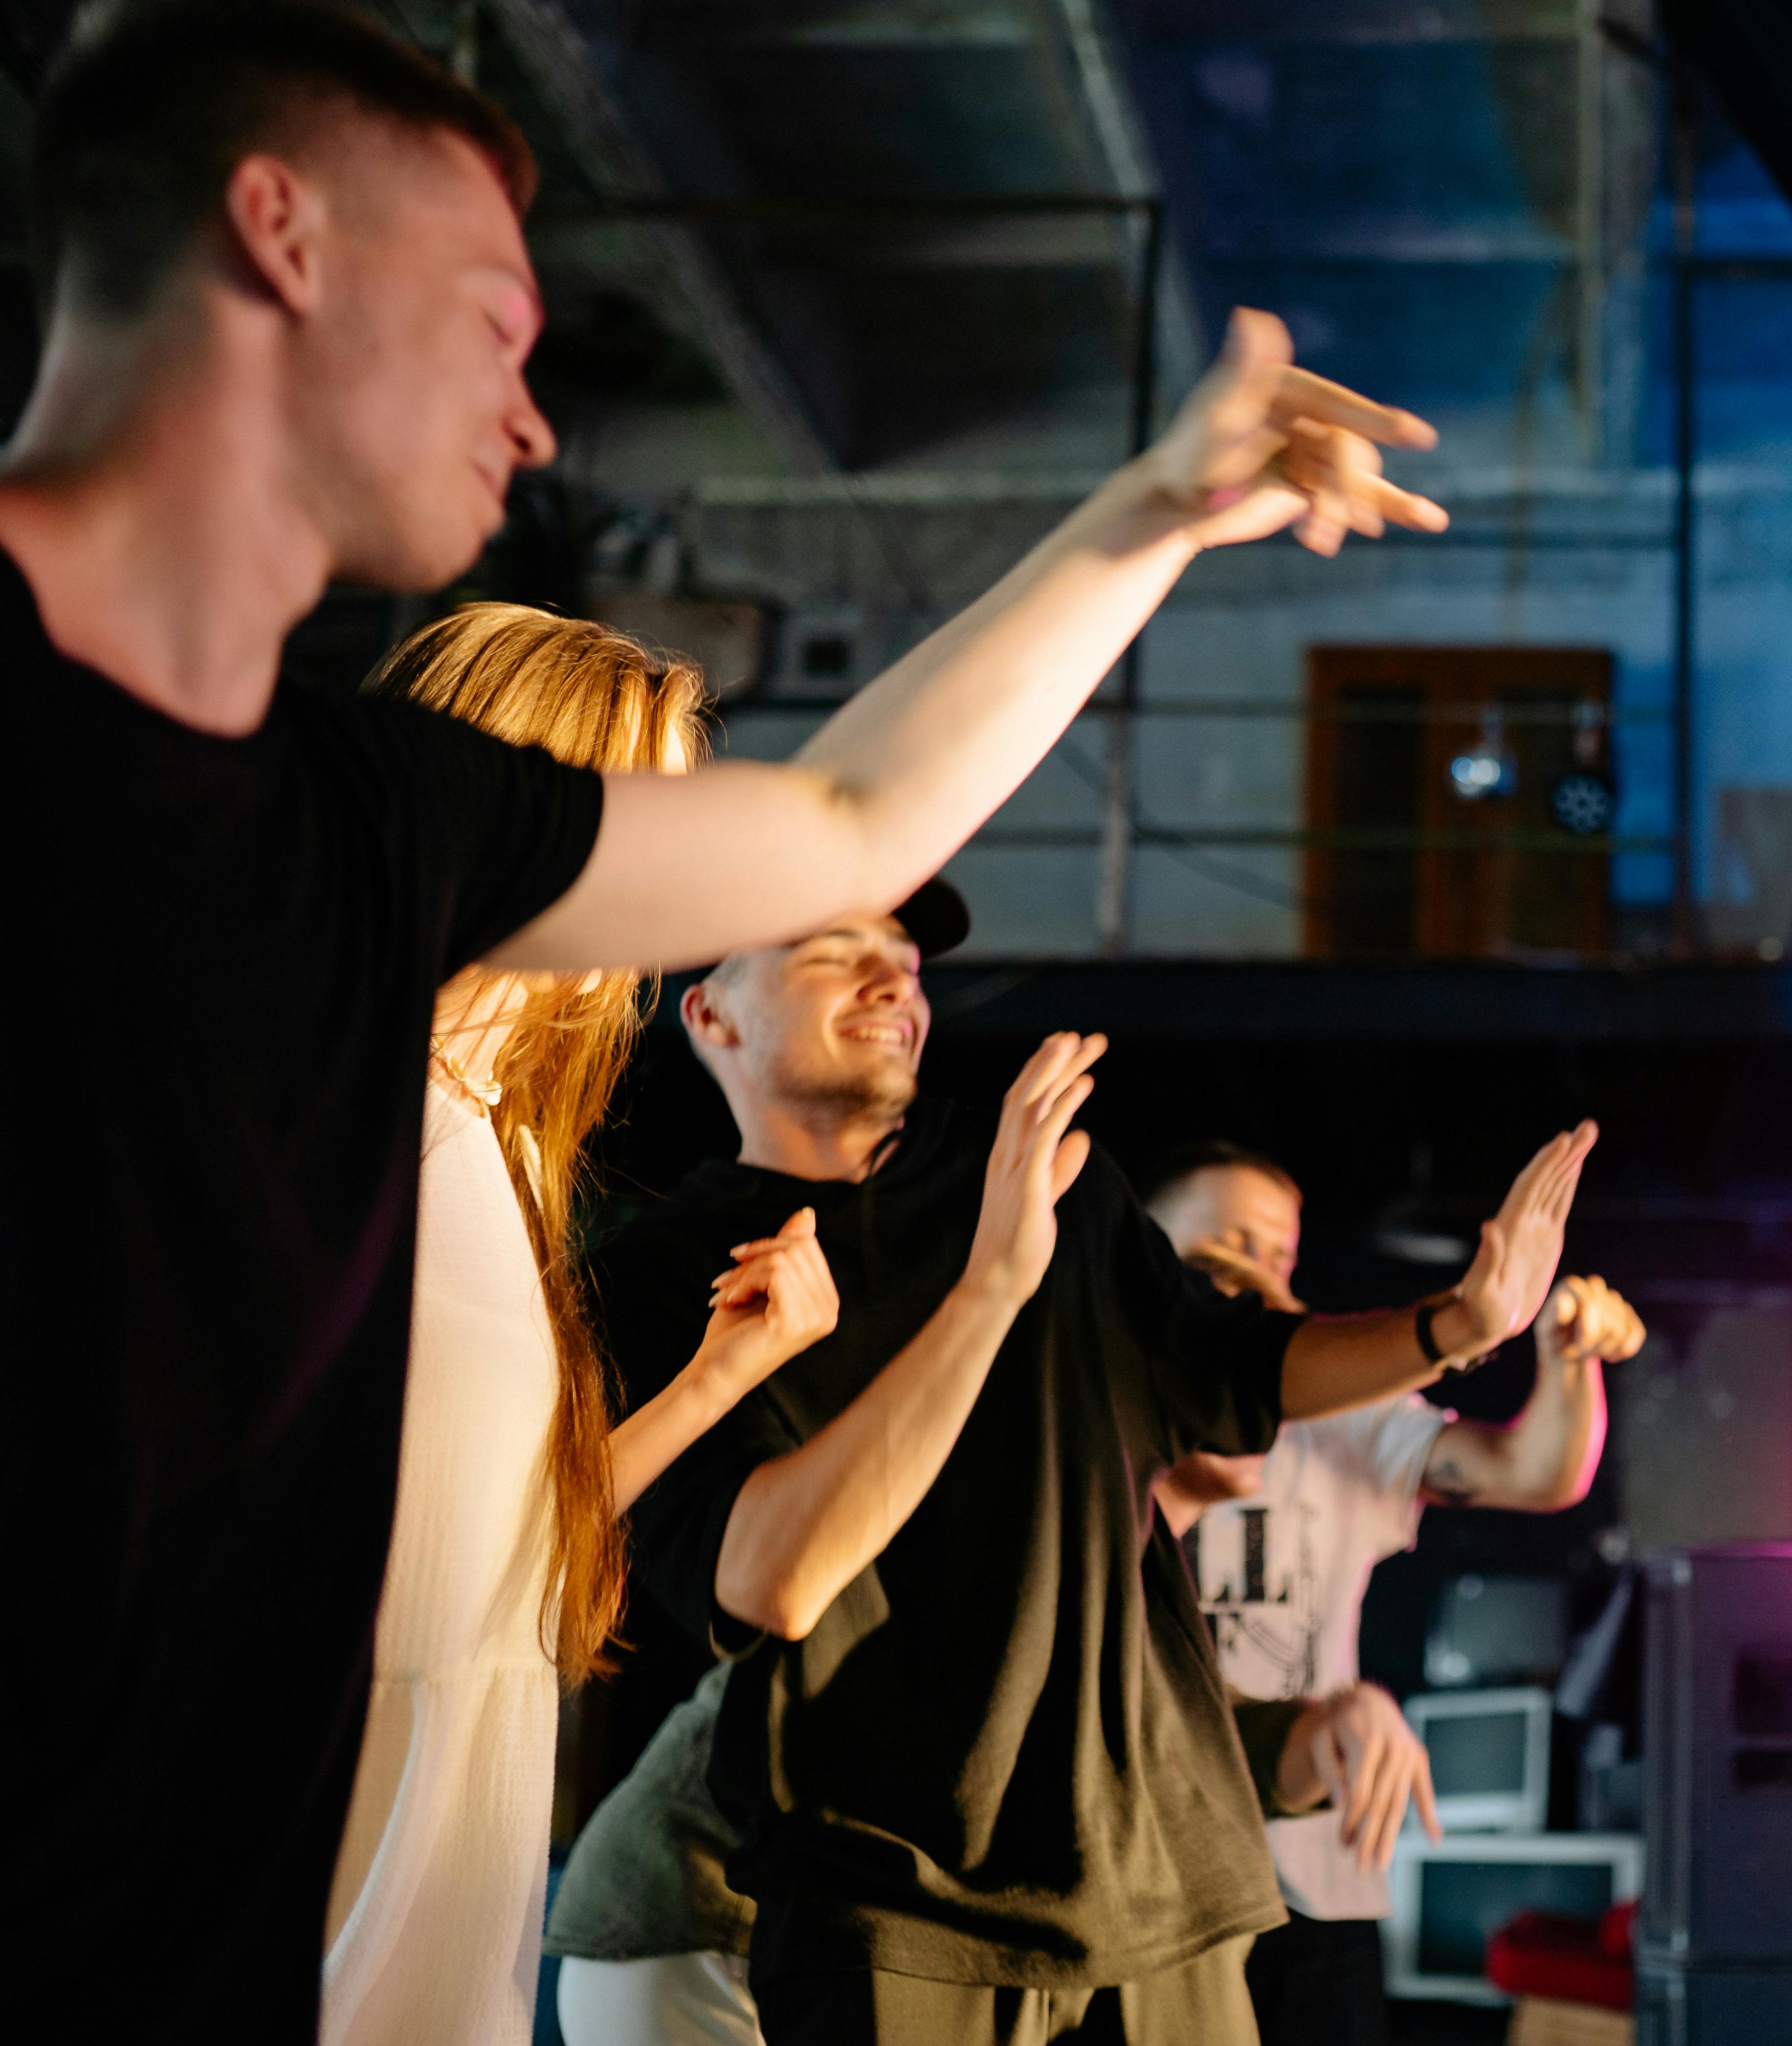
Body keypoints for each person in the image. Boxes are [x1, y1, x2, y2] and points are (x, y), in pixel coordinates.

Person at [4, 5, 1443, 2031]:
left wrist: (1153, 516)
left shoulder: (376, 830)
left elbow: (848, 816)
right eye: (498, 324)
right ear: (282, 233)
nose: (533, 425)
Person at [547, 906, 1599, 2045]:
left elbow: (1237, 1365)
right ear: (711, 1015)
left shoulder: (1039, 1181)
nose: (891, 982)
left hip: (1160, 1890)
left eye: (905, 963)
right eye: (832, 954)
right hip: (885, 1906)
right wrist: (991, 1287)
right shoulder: (662, 1278)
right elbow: (772, 1579)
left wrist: (1458, 1324)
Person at [319, 608, 847, 2045]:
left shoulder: (493, 1140)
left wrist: (718, 1378)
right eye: (641, 815)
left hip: (451, 1852)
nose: (675, 882)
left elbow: (531, 1582)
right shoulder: (342, 1099)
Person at [1141, 1144, 1646, 2046]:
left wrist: (1568, 1359)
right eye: (1226, 1249)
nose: (1258, 1283)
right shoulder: (1084, 1426)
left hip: (1305, 1883)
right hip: (1145, 1880)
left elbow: (1537, 1472)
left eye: (1279, 1259)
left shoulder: (1339, 1422)